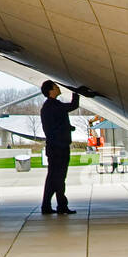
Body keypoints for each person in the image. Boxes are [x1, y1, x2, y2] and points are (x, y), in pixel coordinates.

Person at [40, 81, 84, 215]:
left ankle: (47, 205)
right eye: (56, 87)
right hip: (59, 148)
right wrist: (76, 91)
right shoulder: (53, 106)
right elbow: (73, 105)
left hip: (55, 147)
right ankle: (61, 205)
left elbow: (54, 125)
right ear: (50, 91)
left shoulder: (49, 107)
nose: (59, 88)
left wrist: (67, 128)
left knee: (53, 177)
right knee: (59, 177)